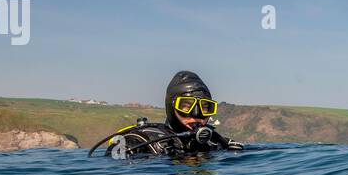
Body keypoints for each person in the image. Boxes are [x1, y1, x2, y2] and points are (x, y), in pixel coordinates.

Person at [90, 70, 244, 158]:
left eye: (206, 108)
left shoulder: (215, 142)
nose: (196, 115)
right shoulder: (142, 141)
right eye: (186, 106)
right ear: (171, 107)